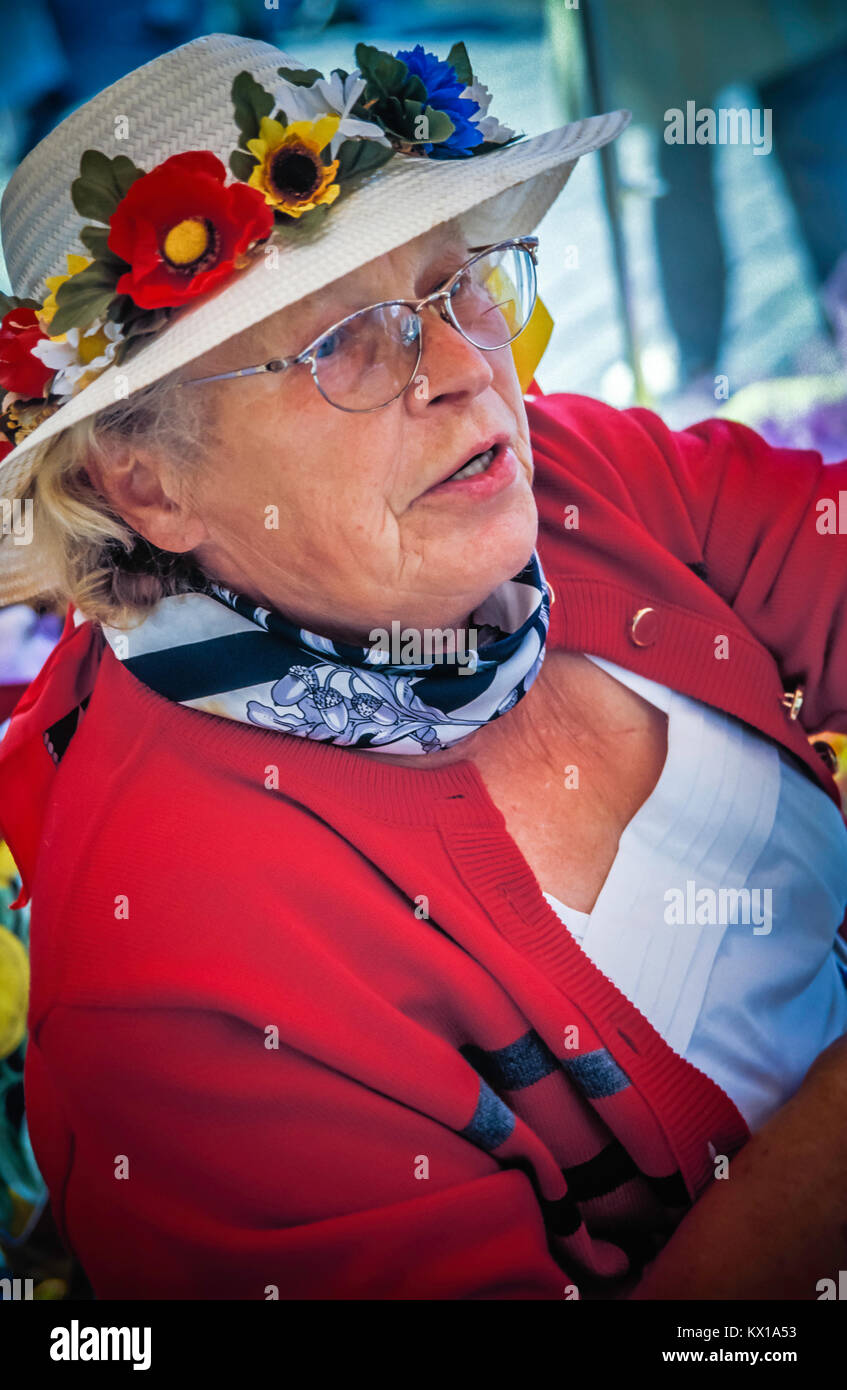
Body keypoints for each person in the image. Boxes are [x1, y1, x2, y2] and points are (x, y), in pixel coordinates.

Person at [0, 31, 845, 1301]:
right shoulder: (174, 1005)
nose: (464, 369)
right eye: (344, 341)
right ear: (145, 479)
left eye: (460, 285)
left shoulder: (564, 476)